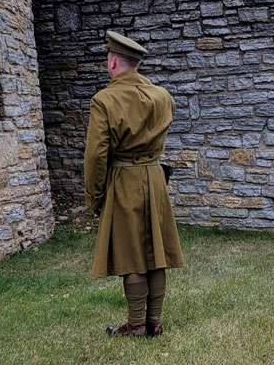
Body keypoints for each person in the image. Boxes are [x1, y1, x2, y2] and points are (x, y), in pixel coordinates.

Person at [85, 31, 184, 337]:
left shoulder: (104, 100)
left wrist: (94, 195)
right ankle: (154, 322)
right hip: (155, 179)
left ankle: (137, 323)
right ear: (137, 64)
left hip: (124, 179)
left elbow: (96, 155)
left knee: (131, 256)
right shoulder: (163, 97)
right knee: (157, 252)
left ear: (113, 62)